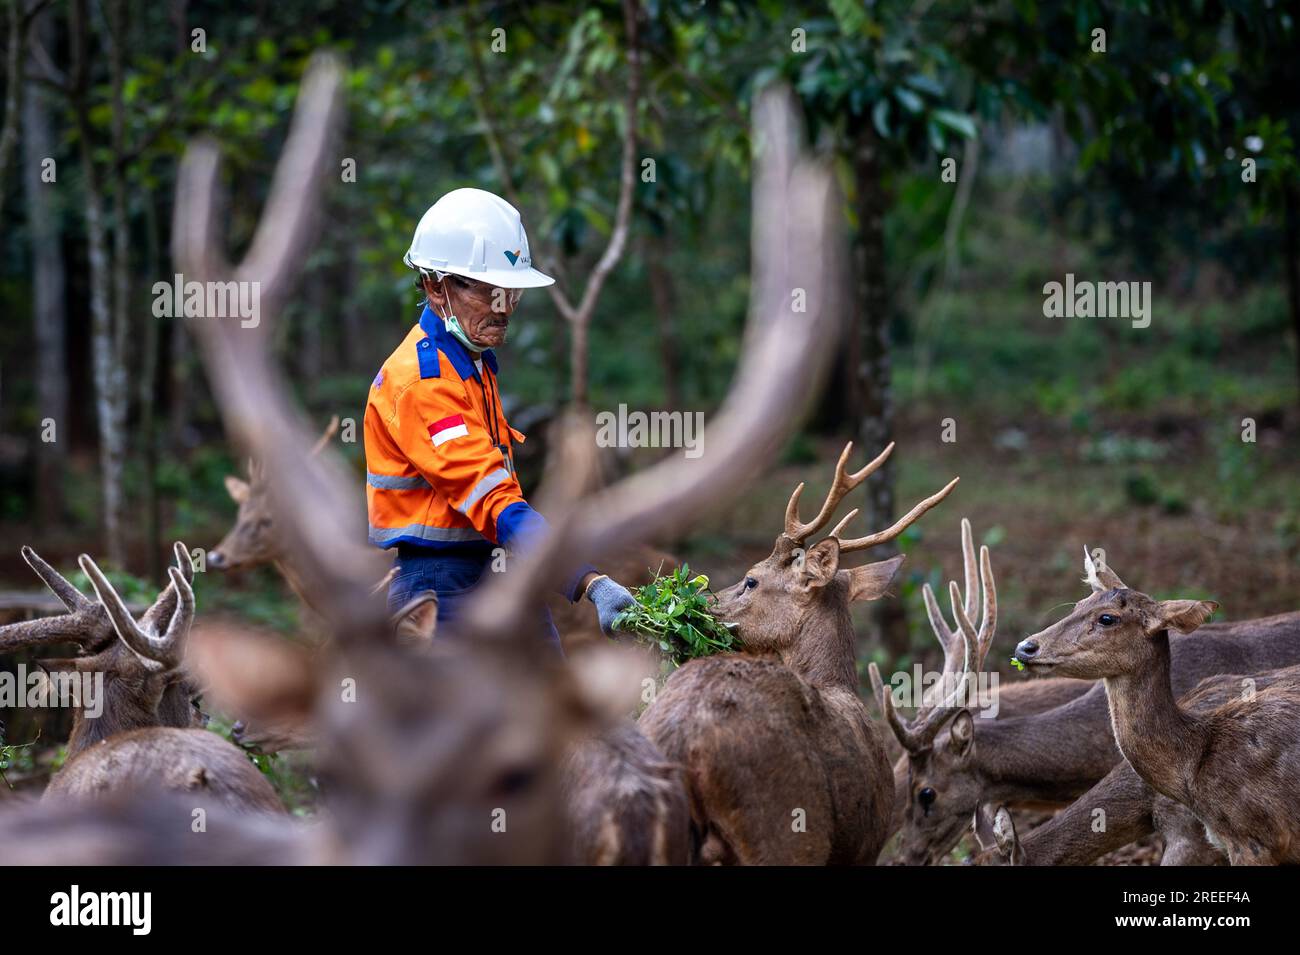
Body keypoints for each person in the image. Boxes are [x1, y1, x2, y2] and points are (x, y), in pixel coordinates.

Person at [363, 187, 635, 651]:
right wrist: (589, 580)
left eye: (511, 292)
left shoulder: (472, 359)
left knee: (551, 707)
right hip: (438, 586)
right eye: (488, 291)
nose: (504, 308)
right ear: (436, 286)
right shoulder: (423, 382)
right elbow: (492, 498)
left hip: (492, 565)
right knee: (459, 720)